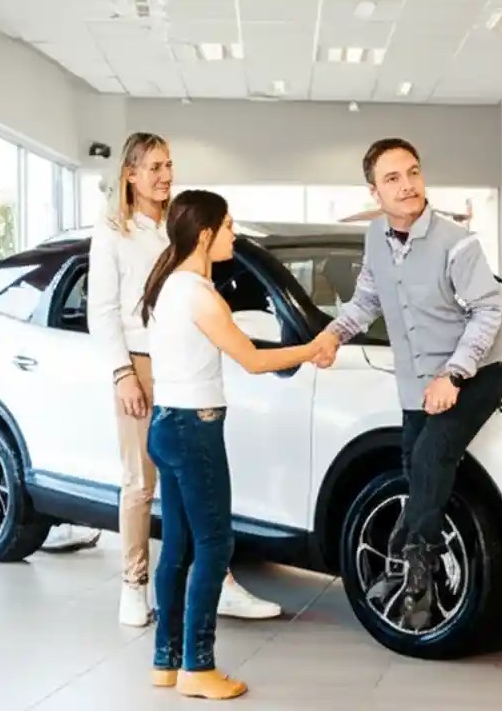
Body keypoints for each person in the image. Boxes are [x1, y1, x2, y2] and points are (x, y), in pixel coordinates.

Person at [315, 138, 502, 631]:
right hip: (418, 379)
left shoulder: (456, 241)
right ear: (374, 191)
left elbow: (488, 310)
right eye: (392, 178)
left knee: (430, 457)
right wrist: (333, 334)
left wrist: (455, 374)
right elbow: (367, 300)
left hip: (479, 369)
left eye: (413, 172)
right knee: (413, 467)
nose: (407, 186)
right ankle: (402, 565)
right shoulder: (374, 238)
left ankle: (415, 579)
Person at [87, 132, 282, 627]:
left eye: (169, 165)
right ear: (129, 173)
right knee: (140, 482)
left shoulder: (180, 225)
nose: (165, 175)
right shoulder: (113, 232)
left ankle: (217, 581)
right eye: (153, 167)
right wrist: (122, 374)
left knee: (193, 481)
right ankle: (133, 583)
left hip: (181, 363)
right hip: (138, 362)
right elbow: (102, 312)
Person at [140, 190, 329, 699]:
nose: (234, 236)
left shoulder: (167, 286)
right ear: (205, 234)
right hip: (193, 429)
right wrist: (312, 348)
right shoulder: (199, 294)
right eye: (228, 227)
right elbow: (251, 358)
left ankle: (167, 659)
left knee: (178, 546)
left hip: (166, 426)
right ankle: (198, 667)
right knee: (214, 544)